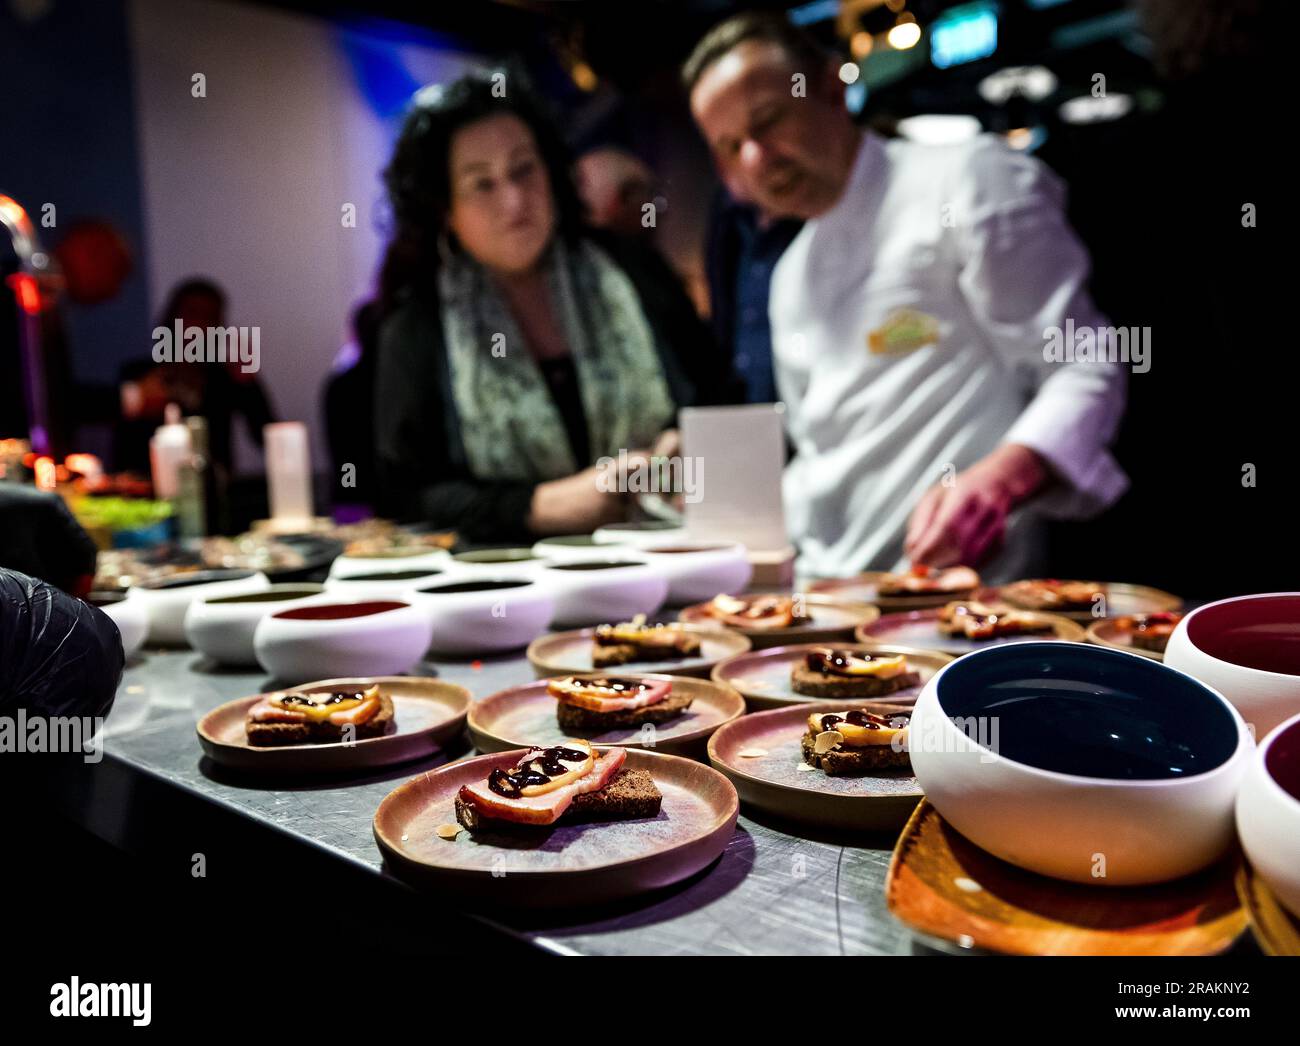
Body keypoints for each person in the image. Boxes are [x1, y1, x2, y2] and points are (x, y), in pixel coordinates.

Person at [684, 13, 1128, 579]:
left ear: (831, 87)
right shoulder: (790, 273)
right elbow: (823, 456)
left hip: (961, 596)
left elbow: (1084, 363)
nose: (754, 158)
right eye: (730, 146)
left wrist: (1002, 480)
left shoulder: (970, 180)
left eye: (767, 122)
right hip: (828, 597)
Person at [375, 71, 735, 543]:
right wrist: (544, 506)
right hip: (506, 591)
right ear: (445, 209)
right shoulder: (419, 326)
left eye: (524, 169)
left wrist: (687, 443)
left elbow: (719, 398)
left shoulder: (633, 271)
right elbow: (406, 495)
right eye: (482, 184)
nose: (515, 201)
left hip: (667, 561)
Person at [115, 278, 277, 477]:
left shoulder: (224, 378)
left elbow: (269, 438)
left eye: (210, 317)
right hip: (148, 492)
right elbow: (123, 451)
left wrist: (250, 384)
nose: (200, 326)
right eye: (192, 314)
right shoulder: (141, 377)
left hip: (214, 493)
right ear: (172, 319)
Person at [323, 301, 381, 517]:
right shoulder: (392, 383)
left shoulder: (341, 384)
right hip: (366, 498)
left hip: (350, 496)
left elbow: (342, 454)